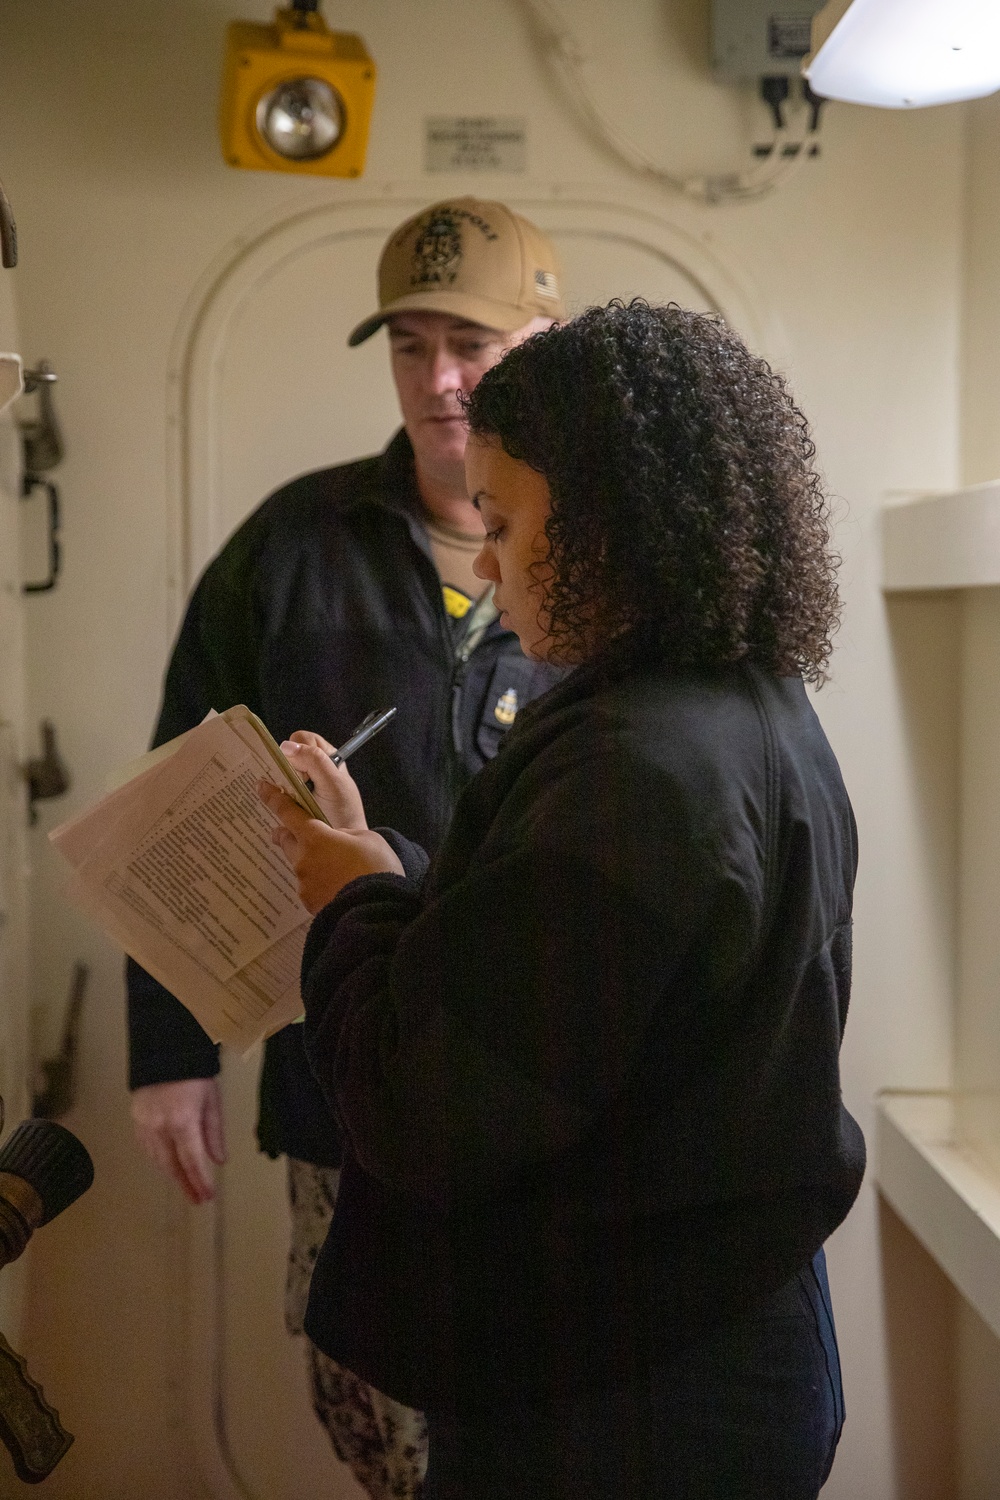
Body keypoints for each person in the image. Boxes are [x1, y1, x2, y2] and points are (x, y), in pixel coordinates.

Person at [260, 300, 867, 1500]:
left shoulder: (635, 771)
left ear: (608, 527)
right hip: (696, 1341)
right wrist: (386, 870)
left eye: (502, 519)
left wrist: (352, 909)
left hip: (629, 1404)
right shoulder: (739, 701)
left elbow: (427, 1112)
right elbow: (567, 984)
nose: (485, 560)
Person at [126, 197, 565, 1499]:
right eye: (410, 344)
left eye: (473, 345)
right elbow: (175, 807)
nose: (440, 381)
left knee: (533, 1430)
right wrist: (172, 1052)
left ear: (545, 338)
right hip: (345, 1087)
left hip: (544, 1103)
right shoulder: (292, 544)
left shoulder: (602, 559)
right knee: (370, 1412)